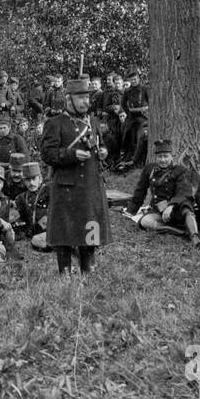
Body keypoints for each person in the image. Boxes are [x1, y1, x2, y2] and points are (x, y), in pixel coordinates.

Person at [41, 76, 113, 276]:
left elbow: (101, 143)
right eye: (81, 98)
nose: (86, 102)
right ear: (68, 100)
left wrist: (104, 150)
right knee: (65, 233)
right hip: (66, 187)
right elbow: (47, 154)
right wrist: (71, 154)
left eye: (87, 98)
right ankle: (65, 272)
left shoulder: (93, 121)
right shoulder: (54, 123)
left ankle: (88, 270)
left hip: (90, 185)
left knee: (90, 228)